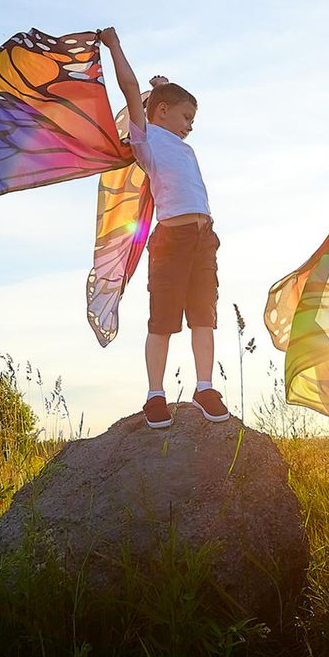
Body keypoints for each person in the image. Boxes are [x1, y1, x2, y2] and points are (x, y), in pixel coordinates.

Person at [98, 27, 230, 429]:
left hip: (204, 240)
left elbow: (160, 101)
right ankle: (155, 394)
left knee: (204, 317)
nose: (190, 126)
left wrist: (162, 89)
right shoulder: (147, 140)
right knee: (163, 321)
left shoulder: (181, 145)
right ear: (161, 113)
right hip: (171, 241)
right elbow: (130, 87)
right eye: (187, 117)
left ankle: (205, 388)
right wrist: (114, 46)